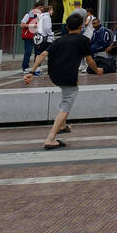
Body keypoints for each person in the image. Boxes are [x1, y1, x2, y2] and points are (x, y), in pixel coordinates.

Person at [24, 11, 101, 151]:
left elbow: (42, 55)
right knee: (66, 105)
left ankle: (63, 126)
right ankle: (50, 138)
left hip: (55, 76)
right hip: (69, 77)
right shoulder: (83, 40)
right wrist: (97, 70)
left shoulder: (59, 40)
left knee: (65, 96)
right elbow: (89, 61)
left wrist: (31, 72)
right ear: (81, 26)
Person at [19, 2, 43, 74]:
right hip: (28, 36)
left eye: (42, 8)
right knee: (28, 52)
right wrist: (32, 25)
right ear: (35, 8)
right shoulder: (28, 14)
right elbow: (22, 25)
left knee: (38, 53)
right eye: (39, 8)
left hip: (37, 36)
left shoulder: (41, 15)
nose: (41, 9)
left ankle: (37, 67)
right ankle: (25, 68)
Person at [31, 4, 54, 75]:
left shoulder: (40, 16)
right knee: (50, 54)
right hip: (46, 38)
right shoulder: (47, 17)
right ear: (49, 10)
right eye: (52, 10)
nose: (52, 12)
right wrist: (51, 34)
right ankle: (50, 70)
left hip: (39, 37)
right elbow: (47, 28)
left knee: (39, 54)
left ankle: (36, 69)